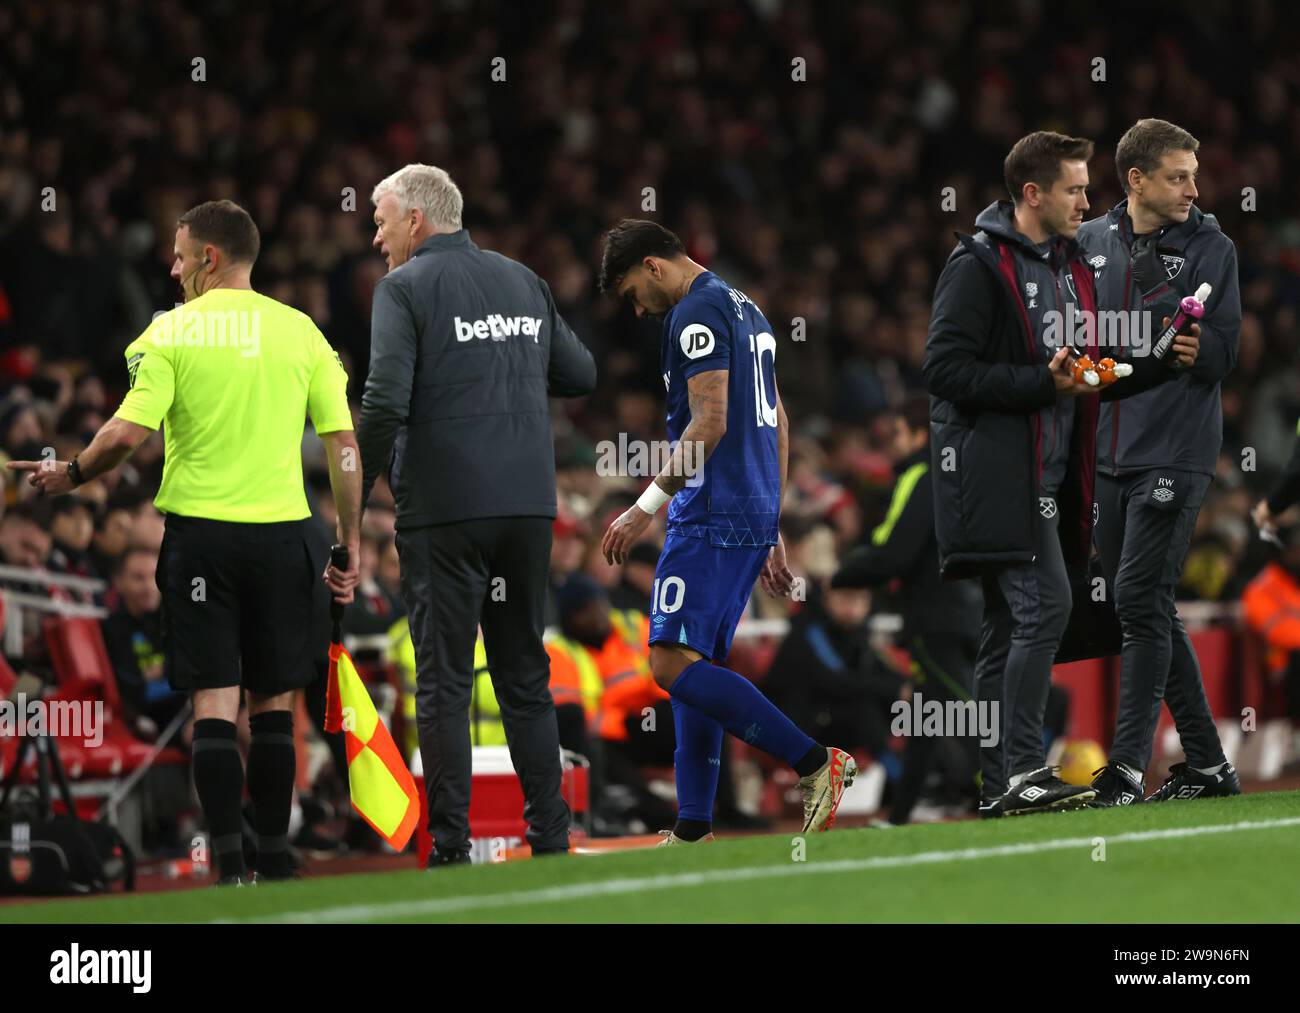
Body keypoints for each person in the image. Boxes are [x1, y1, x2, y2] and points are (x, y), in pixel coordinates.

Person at [10, 199, 363, 885]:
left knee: (212, 700)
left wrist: (72, 472)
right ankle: (276, 858)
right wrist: (344, 543)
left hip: (202, 542)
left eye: (178, 256)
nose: (171, 270)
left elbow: (123, 435)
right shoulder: (304, 333)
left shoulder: (170, 333)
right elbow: (344, 448)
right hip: (285, 538)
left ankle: (228, 865)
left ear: (209, 257)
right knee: (273, 705)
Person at [923, 132, 1197, 816]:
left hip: (1048, 478)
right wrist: (1040, 386)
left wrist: (1157, 362)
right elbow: (944, 370)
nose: (1088, 201)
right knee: (1046, 606)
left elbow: (1089, 373)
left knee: (1005, 628)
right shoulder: (978, 265)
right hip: (994, 475)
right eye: (1075, 189)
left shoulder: (1070, 267)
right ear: (1032, 194)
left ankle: (1000, 785)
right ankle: (1020, 769)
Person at [350, 163, 597, 865]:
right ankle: (551, 839)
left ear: (416, 220)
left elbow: (385, 401)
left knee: (445, 680)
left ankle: (450, 849)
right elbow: (581, 374)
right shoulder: (523, 280)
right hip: (526, 504)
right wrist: (506, 358)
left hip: (444, 508)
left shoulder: (402, 288)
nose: (377, 238)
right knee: (525, 674)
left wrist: (356, 497)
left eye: (382, 222)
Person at [598, 218, 856, 844]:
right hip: (746, 505)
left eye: (633, 291)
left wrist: (644, 506)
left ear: (655, 265)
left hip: (709, 509)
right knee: (695, 659)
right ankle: (692, 826)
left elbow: (709, 422)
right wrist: (770, 520)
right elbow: (779, 417)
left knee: (667, 660)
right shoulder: (746, 307)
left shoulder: (693, 314)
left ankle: (814, 761)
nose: (637, 309)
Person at [1077, 119, 1243, 805]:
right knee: (1140, 605)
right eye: (1179, 176)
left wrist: (1195, 352)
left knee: (1142, 599)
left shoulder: (1211, 246)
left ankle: (1123, 768)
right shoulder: (1085, 243)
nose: (1193, 190)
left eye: (1194, 175)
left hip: (1176, 448)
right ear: (1137, 179)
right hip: (1108, 450)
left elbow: (1226, 350)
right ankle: (1207, 764)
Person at [832, 393, 982, 823]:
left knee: (960, 712)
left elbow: (892, 550)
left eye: (897, 433)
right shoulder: (952, 476)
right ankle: (899, 815)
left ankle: (1005, 789)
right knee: (927, 717)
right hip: (961, 609)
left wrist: (841, 577)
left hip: (937, 616)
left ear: (919, 434)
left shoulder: (920, 475)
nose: (891, 444)